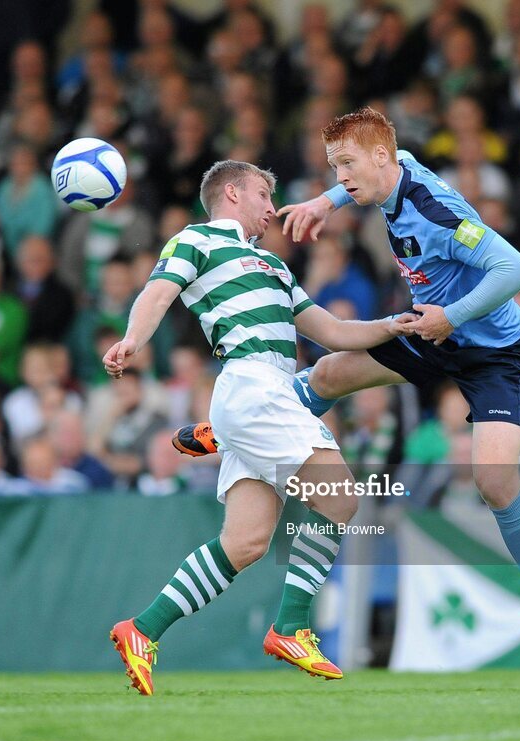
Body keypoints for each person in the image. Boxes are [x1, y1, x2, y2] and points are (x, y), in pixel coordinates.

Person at [174, 108, 520, 669]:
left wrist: (452, 316)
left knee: (494, 482)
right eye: (333, 166)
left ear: (380, 158)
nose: (340, 176)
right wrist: (324, 203)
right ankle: (227, 430)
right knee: (329, 373)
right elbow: (403, 158)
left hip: (492, 350)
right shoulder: (394, 171)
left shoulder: (435, 211)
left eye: (346, 165)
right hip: (431, 329)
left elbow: (515, 270)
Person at [102, 159, 416, 695]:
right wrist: (133, 340)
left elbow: (334, 332)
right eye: (264, 196)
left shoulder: (273, 265)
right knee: (340, 497)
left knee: (245, 543)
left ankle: (142, 629)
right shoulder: (196, 240)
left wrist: (393, 325)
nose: (273, 208)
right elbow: (157, 294)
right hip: (252, 387)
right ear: (231, 193)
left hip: (265, 393)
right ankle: (291, 627)